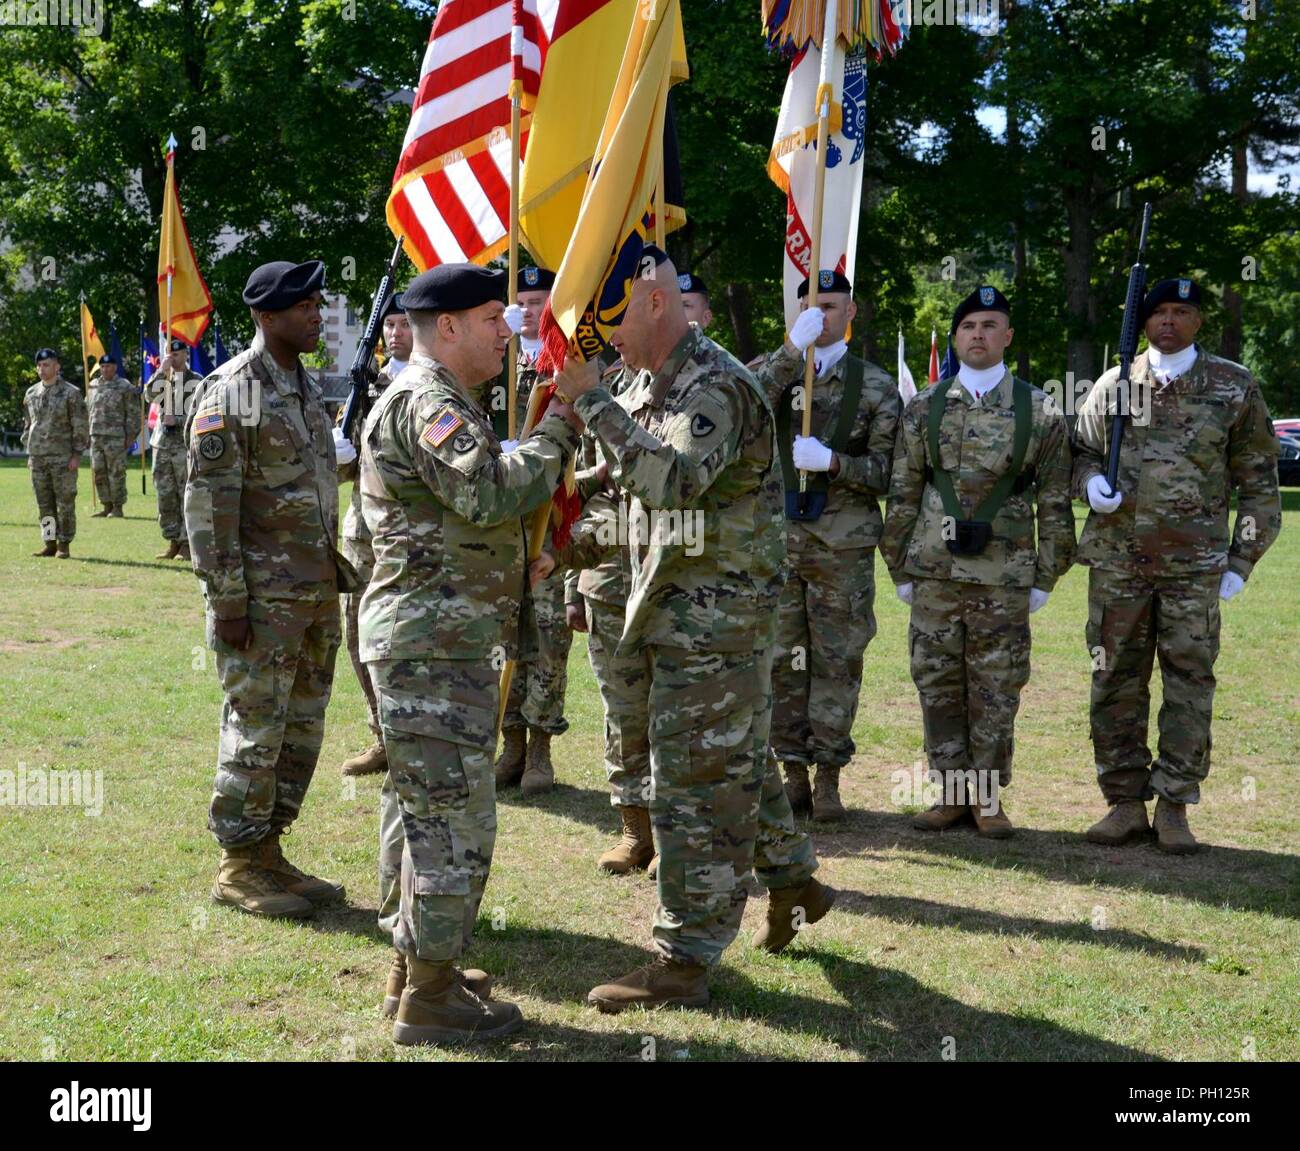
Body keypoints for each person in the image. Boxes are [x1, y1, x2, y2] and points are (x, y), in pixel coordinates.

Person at [537, 246, 834, 1013]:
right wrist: (560, 543)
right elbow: (643, 509)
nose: (598, 342)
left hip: (717, 622)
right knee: (728, 761)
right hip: (678, 612)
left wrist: (593, 401)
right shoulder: (652, 383)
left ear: (654, 304)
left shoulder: (716, 387)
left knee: (692, 790)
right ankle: (795, 878)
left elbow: (670, 480)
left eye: (609, 320)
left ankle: (683, 960)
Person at [358, 263, 580, 1044]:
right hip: (434, 647)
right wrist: (561, 419)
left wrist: (524, 563)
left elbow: (454, 522)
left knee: (422, 812)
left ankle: (414, 969)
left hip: (437, 639)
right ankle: (432, 997)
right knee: (453, 820)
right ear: (447, 327)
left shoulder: (441, 398)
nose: (506, 330)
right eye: (493, 317)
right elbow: (488, 492)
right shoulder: (428, 401)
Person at [1073, 277, 1281, 853]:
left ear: (1198, 321)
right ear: (1143, 322)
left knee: (1189, 682)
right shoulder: (1115, 386)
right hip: (1118, 565)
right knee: (1114, 679)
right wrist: (1090, 483)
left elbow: (1260, 484)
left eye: (1180, 311)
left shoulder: (1232, 387)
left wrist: (1242, 559)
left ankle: (1174, 806)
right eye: (1158, 311)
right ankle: (1123, 803)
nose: (1168, 321)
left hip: (1195, 568)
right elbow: (1079, 452)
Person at [185, 259, 354, 920]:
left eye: (317, 302)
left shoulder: (304, 387)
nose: (315, 313)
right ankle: (236, 863)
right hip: (258, 604)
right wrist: (228, 603)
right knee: (255, 731)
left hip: (313, 594)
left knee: (299, 732)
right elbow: (209, 510)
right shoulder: (232, 390)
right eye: (302, 305)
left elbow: (308, 484)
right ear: (265, 315)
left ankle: (269, 849)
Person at [881, 286, 1075, 837]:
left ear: (1007, 336)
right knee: (937, 683)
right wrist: (899, 568)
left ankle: (987, 799)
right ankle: (948, 794)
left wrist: (1047, 573)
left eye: (990, 326)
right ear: (956, 337)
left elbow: (1056, 500)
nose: (979, 335)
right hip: (934, 574)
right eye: (969, 327)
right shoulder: (925, 405)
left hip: (1004, 575)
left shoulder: (1039, 409)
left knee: (996, 687)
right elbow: (902, 491)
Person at [752, 269, 901, 819]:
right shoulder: (773, 371)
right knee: (780, 659)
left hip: (842, 547)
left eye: (832, 307)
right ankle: (791, 770)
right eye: (811, 307)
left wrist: (836, 463)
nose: (822, 316)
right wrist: (791, 352)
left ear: (851, 313)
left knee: (838, 660)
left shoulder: (878, 387)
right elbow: (742, 408)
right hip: (776, 543)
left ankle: (829, 776)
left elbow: (890, 472)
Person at [494, 265, 573, 795]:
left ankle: (540, 748)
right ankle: (511, 743)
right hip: (498, 520)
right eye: (519, 300)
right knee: (503, 632)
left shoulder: (563, 366)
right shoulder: (488, 365)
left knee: (547, 634)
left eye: (537, 299)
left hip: (546, 517)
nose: (526, 308)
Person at [337, 292, 412, 779]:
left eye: (405, 324)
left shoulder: (448, 381)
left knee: (405, 637)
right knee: (356, 630)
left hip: (412, 529)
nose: (394, 333)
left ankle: (413, 735)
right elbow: (346, 467)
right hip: (363, 526)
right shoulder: (367, 382)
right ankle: (382, 734)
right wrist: (337, 446)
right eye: (389, 325)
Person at [21, 348, 87, 558]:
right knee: (44, 503)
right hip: (39, 458)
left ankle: (64, 544)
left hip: (63, 458)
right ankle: (49, 542)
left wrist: (77, 454)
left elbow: (80, 426)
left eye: (47, 364)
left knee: (65, 502)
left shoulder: (71, 393)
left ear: (57, 367)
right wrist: (30, 453)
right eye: (39, 365)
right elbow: (28, 425)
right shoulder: (31, 393)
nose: (42, 369)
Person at [147, 339, 203, 560]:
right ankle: (172, 541)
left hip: (183, 446)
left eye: (176, 354)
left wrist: (177, 421)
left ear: (186, 354)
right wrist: (161, 370)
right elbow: (149, 395)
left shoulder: (197, 381)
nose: (172, 358)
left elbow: (203, 416)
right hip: (161, 445)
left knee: (185, 495)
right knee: (165, 496)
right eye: (168, 354)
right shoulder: (164, 378)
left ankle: (187, 544)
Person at [88, 356, 137, 519]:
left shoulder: (125, 386)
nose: (105, 369)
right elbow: (87, 410)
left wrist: (131, 436)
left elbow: (134, 413)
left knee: (116, 473)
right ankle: (106, 505)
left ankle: (118, 507)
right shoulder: (93, 385)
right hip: (96, 437)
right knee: (98, 472)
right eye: (102, 366)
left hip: (116, 437)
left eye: (108, 366)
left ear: (115, 367)